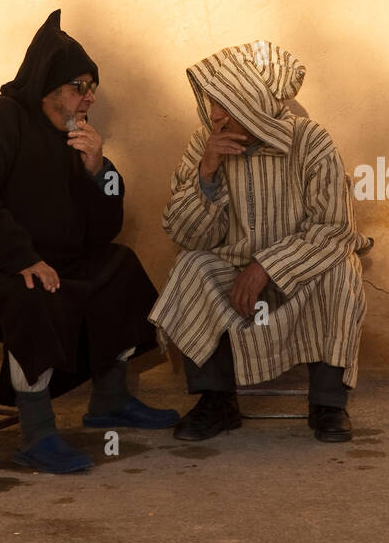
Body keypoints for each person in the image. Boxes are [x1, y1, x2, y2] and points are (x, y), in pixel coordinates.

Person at [0, 9, 178, 474]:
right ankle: (36, 433)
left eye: (93, 88)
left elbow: (99, 232)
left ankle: (110, 399)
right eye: (80, 87)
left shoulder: (69, 141)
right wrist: (22, 258)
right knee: (30, 291)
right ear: (47, 86)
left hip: (26, 261)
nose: (89, 98)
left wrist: (99, 173)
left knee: (118, 266)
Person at [149, 39, 373, 443]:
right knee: (191, 266)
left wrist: (267, 265)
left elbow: (334, 228)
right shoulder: (205, 144)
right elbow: (185, 234)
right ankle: (216, 402)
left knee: (342, 268)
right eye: (210, 103)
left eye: (223, 102)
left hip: (298, 272)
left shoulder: (310, 142)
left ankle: (328, 404)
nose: (214, 115)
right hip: (232, 274)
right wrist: (207, 172)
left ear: (250, 99)